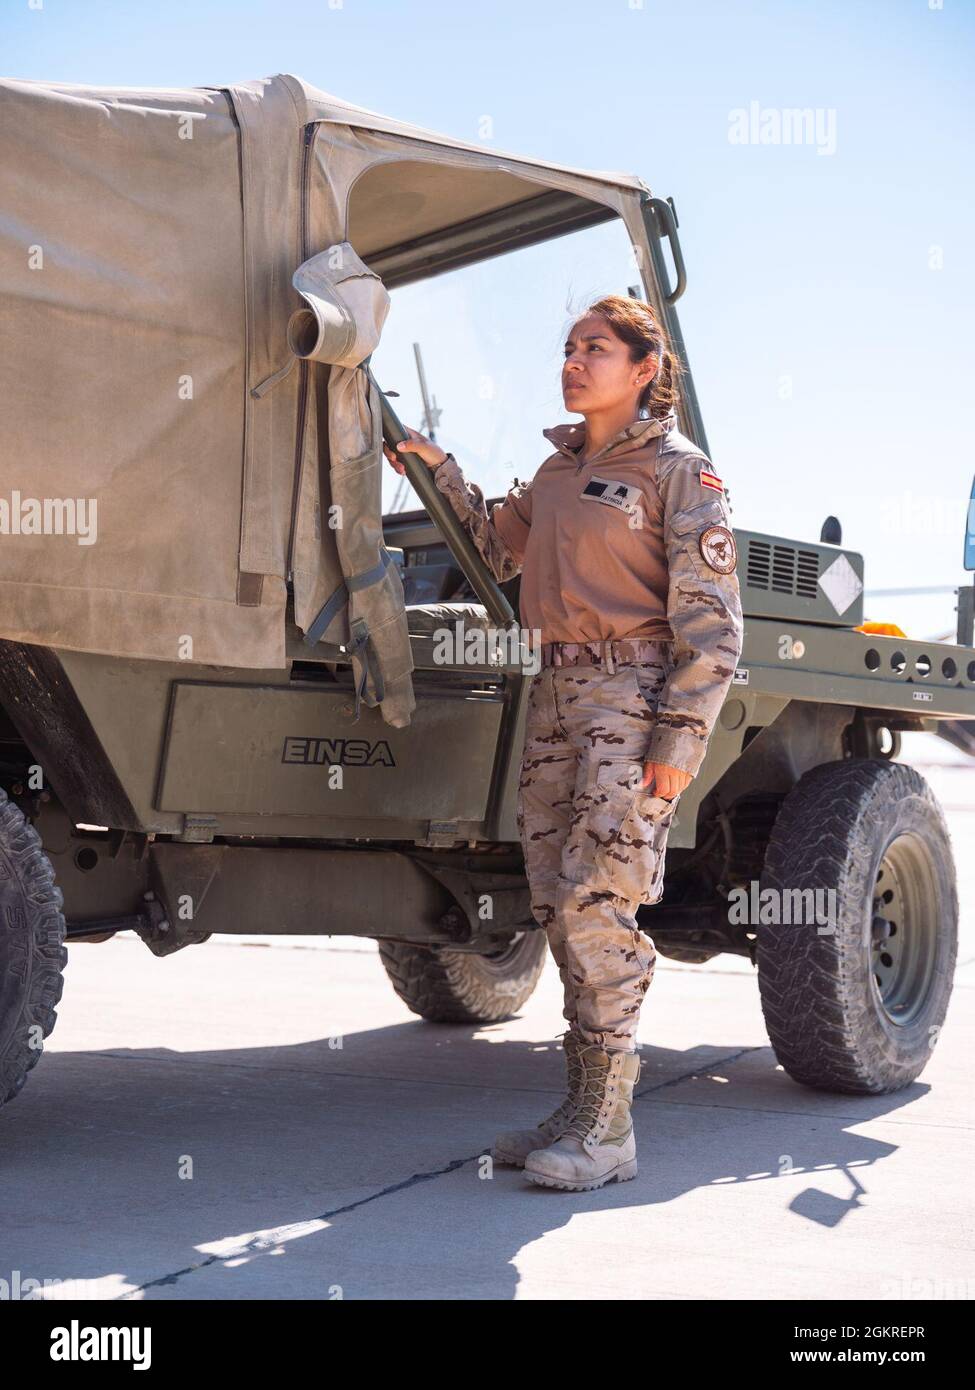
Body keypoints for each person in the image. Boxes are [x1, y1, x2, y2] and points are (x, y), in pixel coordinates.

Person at [383, 295, 744, 1192]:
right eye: (570, 348)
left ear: (643, 368)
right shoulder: (553, 472)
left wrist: (677, 742)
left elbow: (714, 628)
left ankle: (609, 1129)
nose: (574, 362)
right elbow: (491, 552)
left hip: (633, 697)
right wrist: (442, 468)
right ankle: (578, 1109)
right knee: (554, 900)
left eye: (596, 349)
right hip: (552, 699)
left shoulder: (678, 473)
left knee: (599, 903)